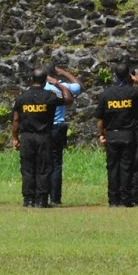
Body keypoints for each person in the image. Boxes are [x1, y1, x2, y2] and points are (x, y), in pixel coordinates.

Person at [96, 63, 138, 207]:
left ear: (115, 76)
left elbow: (100, 119)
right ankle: (126, 199)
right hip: (130, 135)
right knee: (127, 167)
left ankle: (113, 200)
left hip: (112, 134)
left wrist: (102, 134)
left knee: (113, 168)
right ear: (129, 76)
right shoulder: (136, 93)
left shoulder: (106, 94)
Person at [12, 68, 65, 208]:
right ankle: (41, 200)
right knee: (43, 168)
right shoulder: (50, 96)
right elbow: (68, 99)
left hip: (27, 137)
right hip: (44, 137)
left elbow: (16, 120)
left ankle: (28, 199)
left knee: (27, 168)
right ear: (45, 81)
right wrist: (58, 85)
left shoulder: (22, 97)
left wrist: (15, 138)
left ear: (31, 80)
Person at [44, 66, 83, 206]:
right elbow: (79, 86)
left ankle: (41, 195)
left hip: (42, 127)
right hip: (57, 127)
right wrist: (64, 74)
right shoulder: (62, 87)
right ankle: (55, 198)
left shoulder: (38, 88)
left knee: (43, 162)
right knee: (56, 163)